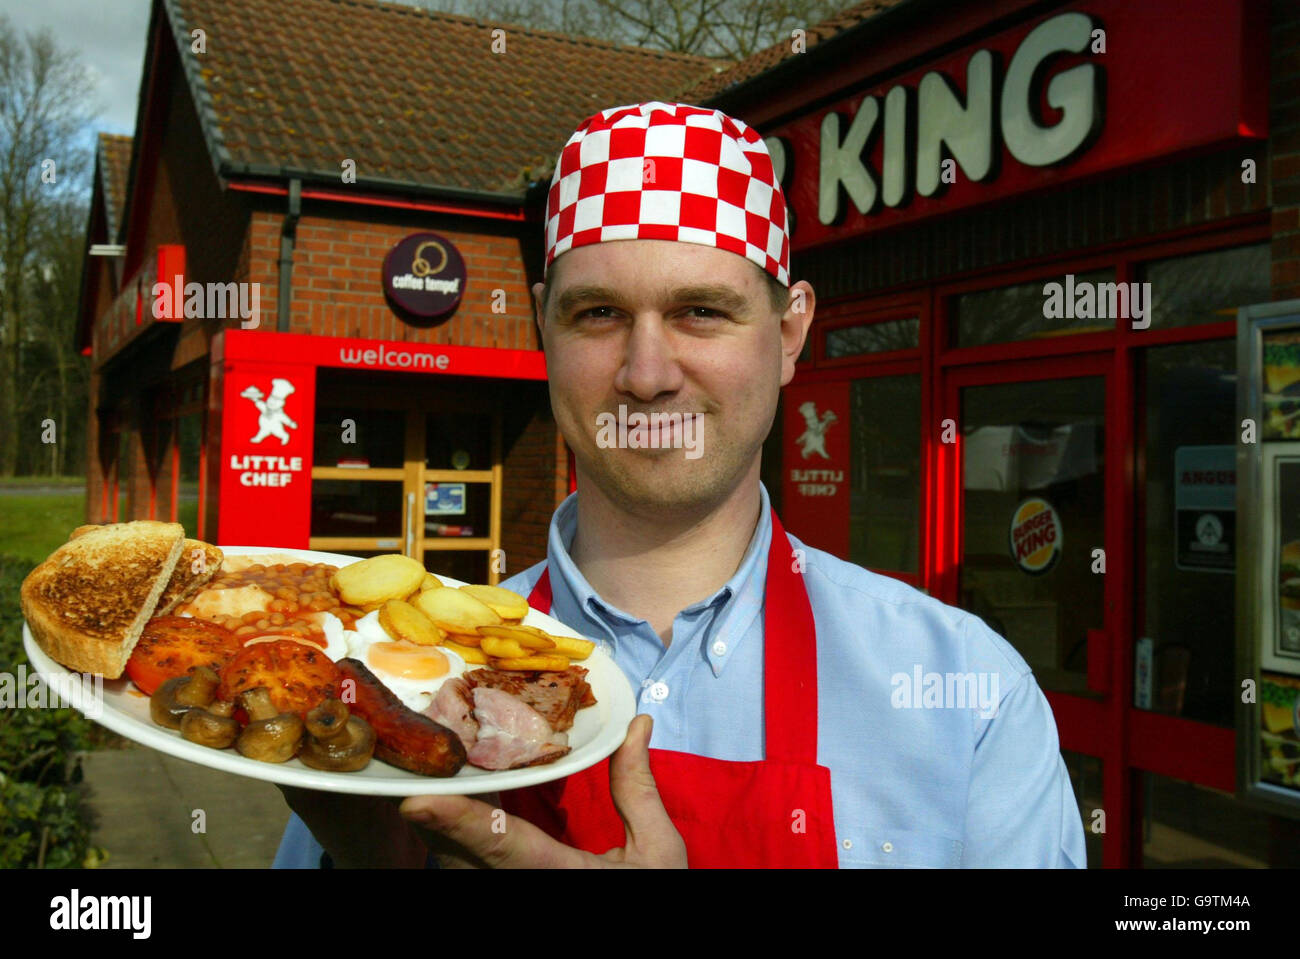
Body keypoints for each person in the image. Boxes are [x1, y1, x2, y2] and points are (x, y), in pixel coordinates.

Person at [273, 101, 1086, 869]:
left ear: (791, 332)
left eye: (701, 310)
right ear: (541, 328)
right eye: (598, 314)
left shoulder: (968, 698)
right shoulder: (404, 677)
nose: (648, 373)